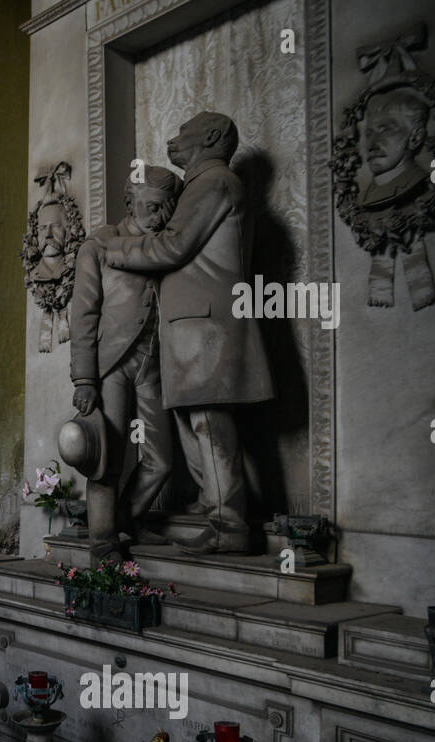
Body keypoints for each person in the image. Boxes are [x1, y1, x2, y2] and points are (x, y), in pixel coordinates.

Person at [102, 111, 275, 555]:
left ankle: (227, 524)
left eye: (184, 133)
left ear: (212, 137)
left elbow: (172, 246)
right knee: (195, 423)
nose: (174, 141)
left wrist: (113, 250)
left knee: (210, 424)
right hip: (193, 329)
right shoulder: (206, 186)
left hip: (206, 328)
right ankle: (212, 504)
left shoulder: (212, 182)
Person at [66, 164, 181, 562]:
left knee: (162, 461)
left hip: (154, 364)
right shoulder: (99, 245)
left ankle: (125, 520)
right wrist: (84, 378)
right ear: (130, 204)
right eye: (152, 207)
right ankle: (102, 542)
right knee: (107, 460)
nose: (159, 217)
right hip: (110, 365)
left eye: (166, 208)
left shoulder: (169, 246)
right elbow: (82, 313)